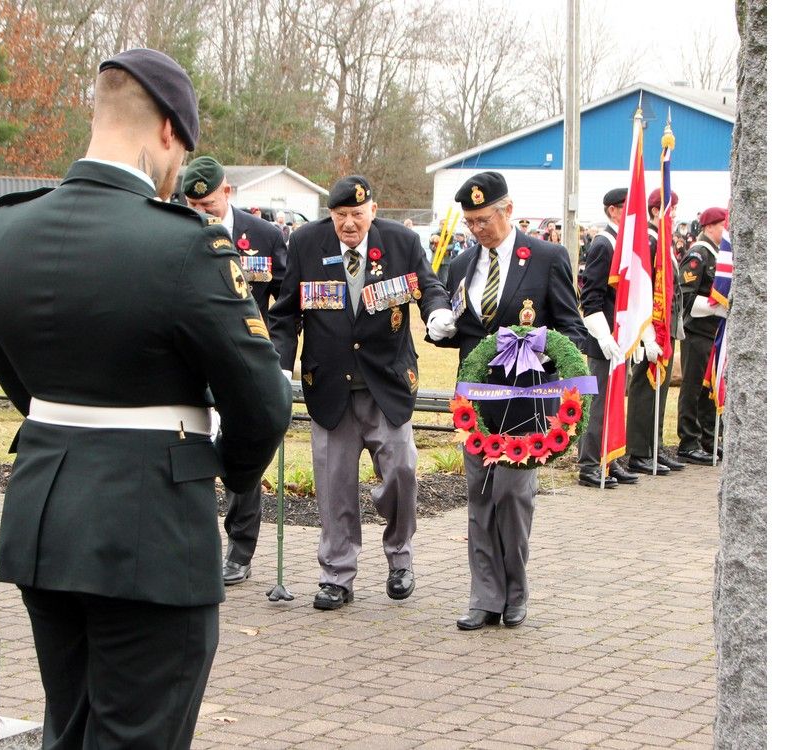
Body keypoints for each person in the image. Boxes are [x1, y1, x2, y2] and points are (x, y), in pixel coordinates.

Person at [0, 47, 292, 749]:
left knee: (72, 728)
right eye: (186, 150)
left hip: (43, 517)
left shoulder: (2, 229)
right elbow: (263, 402)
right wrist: (225, 472)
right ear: (169, 130)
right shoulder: (184, 245)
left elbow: (19, 381)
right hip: (149, 528)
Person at [268, 175, 449, 611]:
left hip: (386, 382)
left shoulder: (401, 241)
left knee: (402, 471)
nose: (349, 224)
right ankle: (336, 574)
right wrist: (276, 364)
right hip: (329, 386)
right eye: (340, 215)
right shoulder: (307, 243)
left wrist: (437, 312)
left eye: (357, 214)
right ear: (330, 214)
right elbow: (286, 311)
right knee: (334, 485)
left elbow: (428, 286)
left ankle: (400, 557)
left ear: (373, 210)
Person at [427, 171, 585, 630]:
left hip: (526, 404)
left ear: (508, 210)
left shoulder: (545, 257)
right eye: (470, 222)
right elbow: (463, 330)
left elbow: (570, 330)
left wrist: (545, 350)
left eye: (484, 219)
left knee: (513, 498)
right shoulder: (460, 266)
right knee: (478, 500)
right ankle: (485, 597)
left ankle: (516, 589)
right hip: (476, 406)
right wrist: (441, 328)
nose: (477, 230)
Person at [181, 155, 289, 585]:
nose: (200, 212)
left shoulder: (263, 235)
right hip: (193, 362)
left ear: (227, 192)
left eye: (207, 203)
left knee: (244, 454)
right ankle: (194, 543)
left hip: (246, 363)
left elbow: (285, 303)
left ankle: (239, 550)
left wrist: (278, 358)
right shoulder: (177, 231)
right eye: (193, 204)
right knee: (191, 454)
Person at [575, 189, 642, 488]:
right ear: (614, 211)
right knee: (599, 403)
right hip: (604, 336)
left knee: (615, 402)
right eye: (629, 207)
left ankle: (609, 459)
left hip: (620, 337)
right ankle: (589, 464)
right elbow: (591, 298)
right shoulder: (604, 244)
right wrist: (604, 336)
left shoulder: (624, 244)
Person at [624, 189, 687, 474]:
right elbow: (643, 290)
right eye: (670, 209)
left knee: (660, 389)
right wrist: (646, 331)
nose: (673, 215)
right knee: (645, 387)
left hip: (667, 326)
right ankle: (639, 451)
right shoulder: (648, 241)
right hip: (651, 325)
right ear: (654, 210)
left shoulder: (663, 241)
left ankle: (655, 445)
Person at [676, 206, 727, 464]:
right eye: (722, 226)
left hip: (714, 331)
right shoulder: (699, 254)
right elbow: (686, 296)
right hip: (697, 331)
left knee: (709, 390)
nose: (726, 231)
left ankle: (708, 439)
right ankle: (688, 441)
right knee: (693, 387)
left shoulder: (718, 254)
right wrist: (717, 306)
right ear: (709, 227)